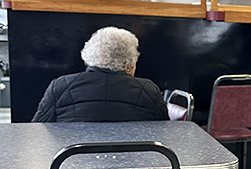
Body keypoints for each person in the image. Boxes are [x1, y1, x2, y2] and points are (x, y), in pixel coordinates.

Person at [32, 26, 168, 122]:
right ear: (128, 64)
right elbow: (164, 134)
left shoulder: (60, 87)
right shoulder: (149, 91)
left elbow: (38, 131)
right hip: (134, 161)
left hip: (72, 161)